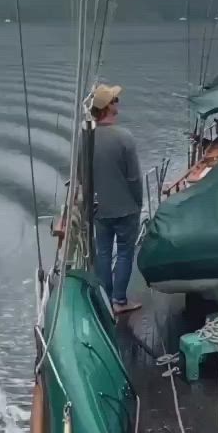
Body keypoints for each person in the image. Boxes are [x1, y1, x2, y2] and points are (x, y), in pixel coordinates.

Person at [86, 81, 143, 314]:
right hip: (126, 208)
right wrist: (138, 203)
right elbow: (134, 178)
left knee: (102, 253)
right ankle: (120, 300)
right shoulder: (124, 137)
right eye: (115, 100)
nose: (117, 103)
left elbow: (83, 175)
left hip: (100, 209)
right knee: (124, 253)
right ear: (108, 108)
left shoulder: (86, 137)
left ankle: (105, 299)